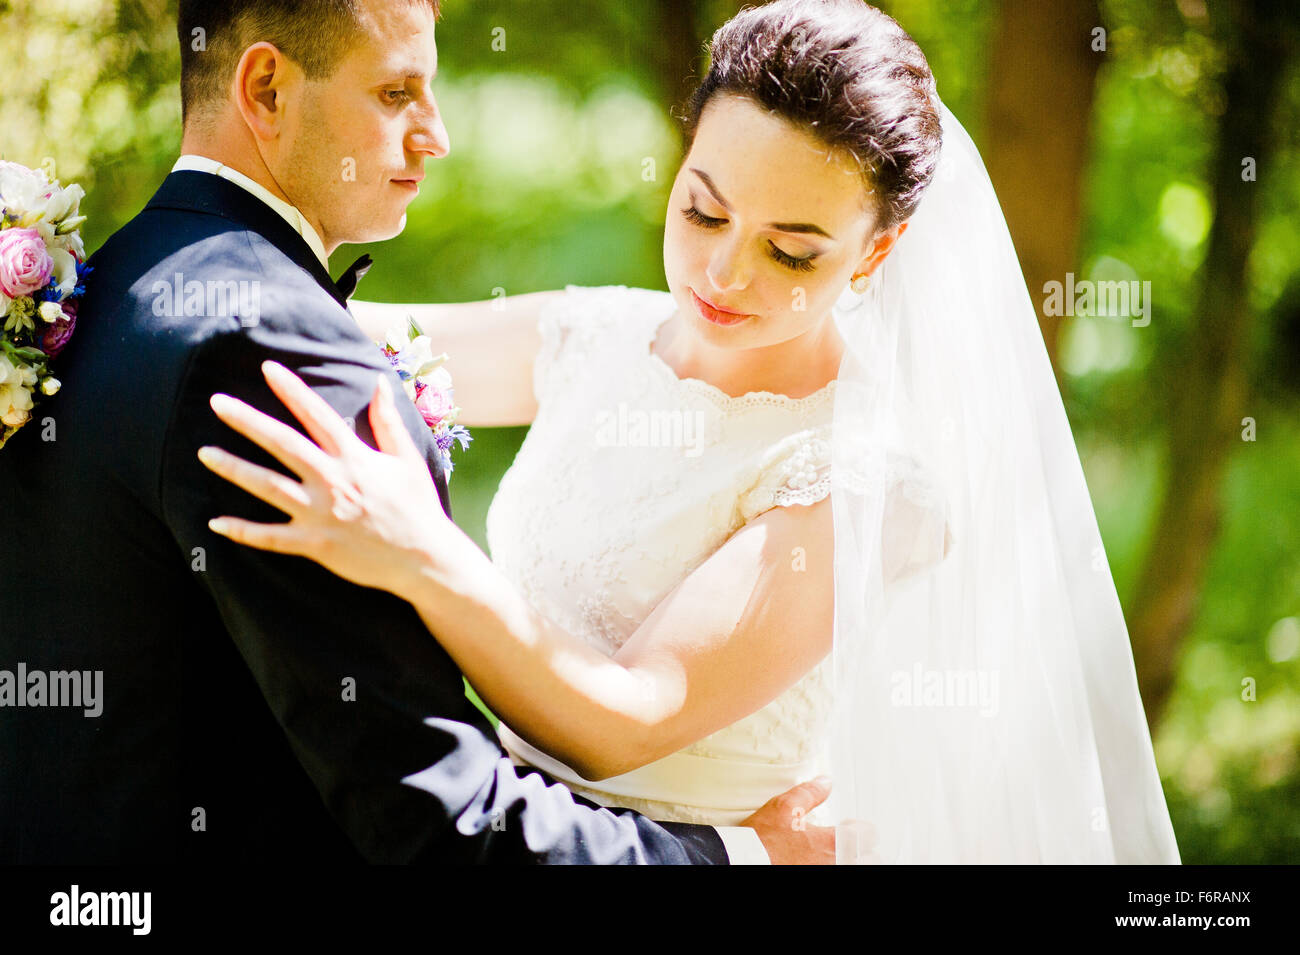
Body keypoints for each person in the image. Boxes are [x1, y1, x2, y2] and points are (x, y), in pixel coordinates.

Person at [200, 0, 1184, 863]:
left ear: (876, 249)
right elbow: (322, 337)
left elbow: (623, 719)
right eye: (703, 210)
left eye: (790, 253)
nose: (724, 273)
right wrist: (56, 290)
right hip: (510, 841)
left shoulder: (859, 477)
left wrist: (418, 550)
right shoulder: (601, 335)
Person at [0, 0, 832, 865]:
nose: (435, 134)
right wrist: (733, 855)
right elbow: (433, 816)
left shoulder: (102, 288)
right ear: (266, 89)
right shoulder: (278, 361)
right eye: (398, 91)